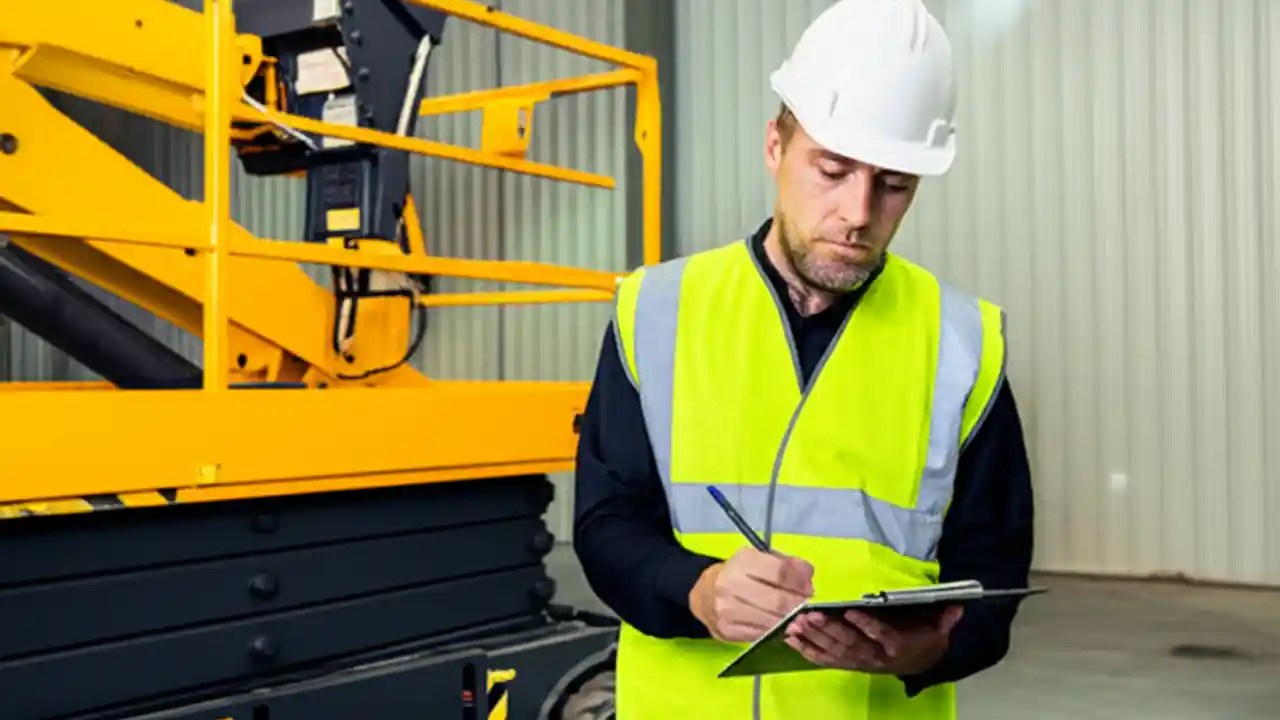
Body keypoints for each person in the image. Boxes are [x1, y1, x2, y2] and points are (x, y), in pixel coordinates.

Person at [571, 0, 1034, 717]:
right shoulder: (655, 311)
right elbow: (606, 525)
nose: (858, 212)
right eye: (833, 169)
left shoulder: (963, 345)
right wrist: (697, 589)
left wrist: (929, 652)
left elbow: (993, 572)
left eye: (893, 184)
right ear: (774, 147)